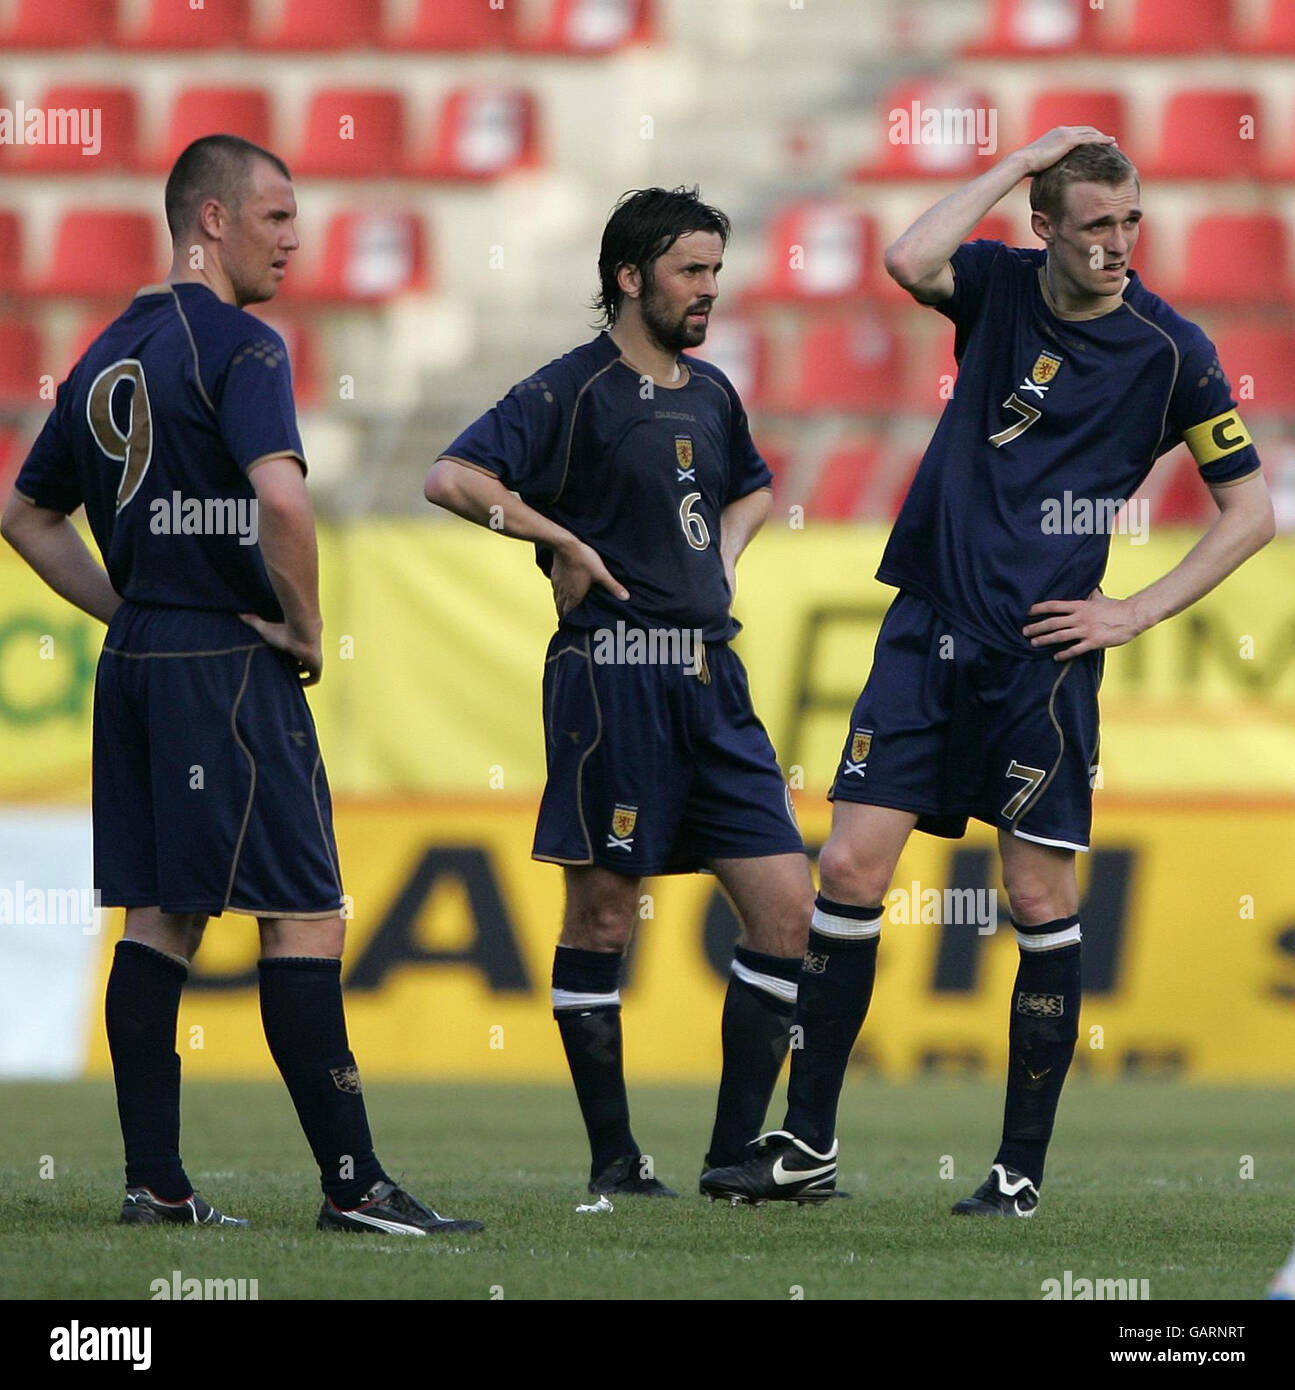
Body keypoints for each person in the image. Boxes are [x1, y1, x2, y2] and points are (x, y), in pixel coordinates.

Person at [700, 128, 1275, 1211]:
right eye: (1094, 224)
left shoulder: (1172, 351)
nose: (1116, 246)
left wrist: (1133, 611)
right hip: (924, 626)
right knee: (849, 873)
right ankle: (807, 1144)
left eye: (1130, 223)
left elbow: (1248, 512)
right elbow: (907, 260)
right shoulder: (997, 286)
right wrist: (1015, 161)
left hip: (1039, 655)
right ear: (1044, 226)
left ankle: (1015, 1171)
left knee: (1034, 893)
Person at [0, 134, 481, 1237]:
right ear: (209, 221)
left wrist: (128, 612)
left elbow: (23, 513)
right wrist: (303, 628)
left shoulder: (104, 350)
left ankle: (154, 1183)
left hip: (137, 664)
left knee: (158, 920)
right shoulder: (244, 346)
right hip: (227, 657)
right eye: (274, 216)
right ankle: (353, 1186)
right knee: (304, 913)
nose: (294, 239)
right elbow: (287, 503)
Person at [424, 186, 814, 1196]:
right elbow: (453, 478)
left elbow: (754, 486)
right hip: (610, 680)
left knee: (785, 907)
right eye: (690, 272)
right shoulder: (572, 390)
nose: (707, 292)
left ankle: (733, 1159)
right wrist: (558, 539)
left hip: (710, 677)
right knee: (602, 916)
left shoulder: (711, 389)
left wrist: (726, 554)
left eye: (715, 273)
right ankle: (613, 1162)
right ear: (627, 276)